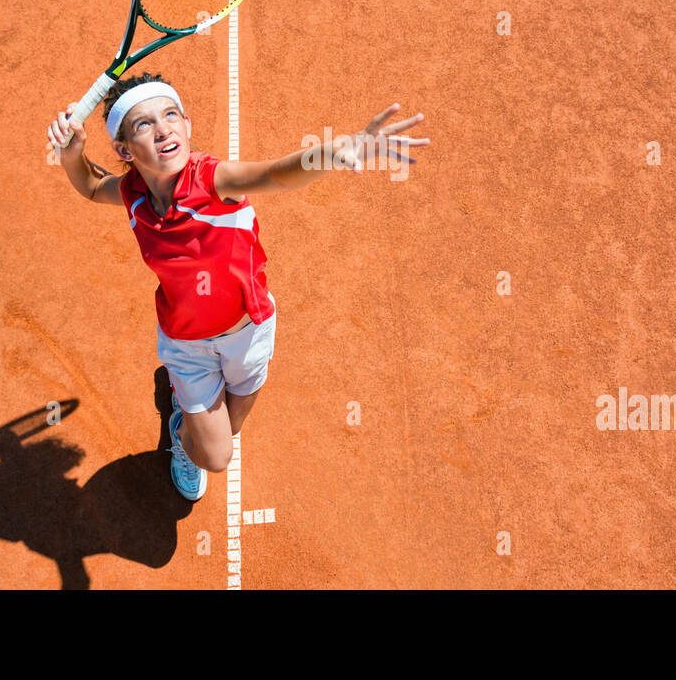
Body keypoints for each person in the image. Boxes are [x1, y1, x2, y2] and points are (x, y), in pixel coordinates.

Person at [47, 72, 429, 500]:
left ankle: (190, 413)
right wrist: (71, 154)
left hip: (248, 332)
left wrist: (341, 151)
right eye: (144, 124)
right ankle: (182, 427)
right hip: (186, 343)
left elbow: (277, 174)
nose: (163, 130)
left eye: (171, 115)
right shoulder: (134, 193)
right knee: (216, 456)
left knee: (232, 423)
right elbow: (94, 185)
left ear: (187, 125)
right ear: (123, 149)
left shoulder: (214, 181)